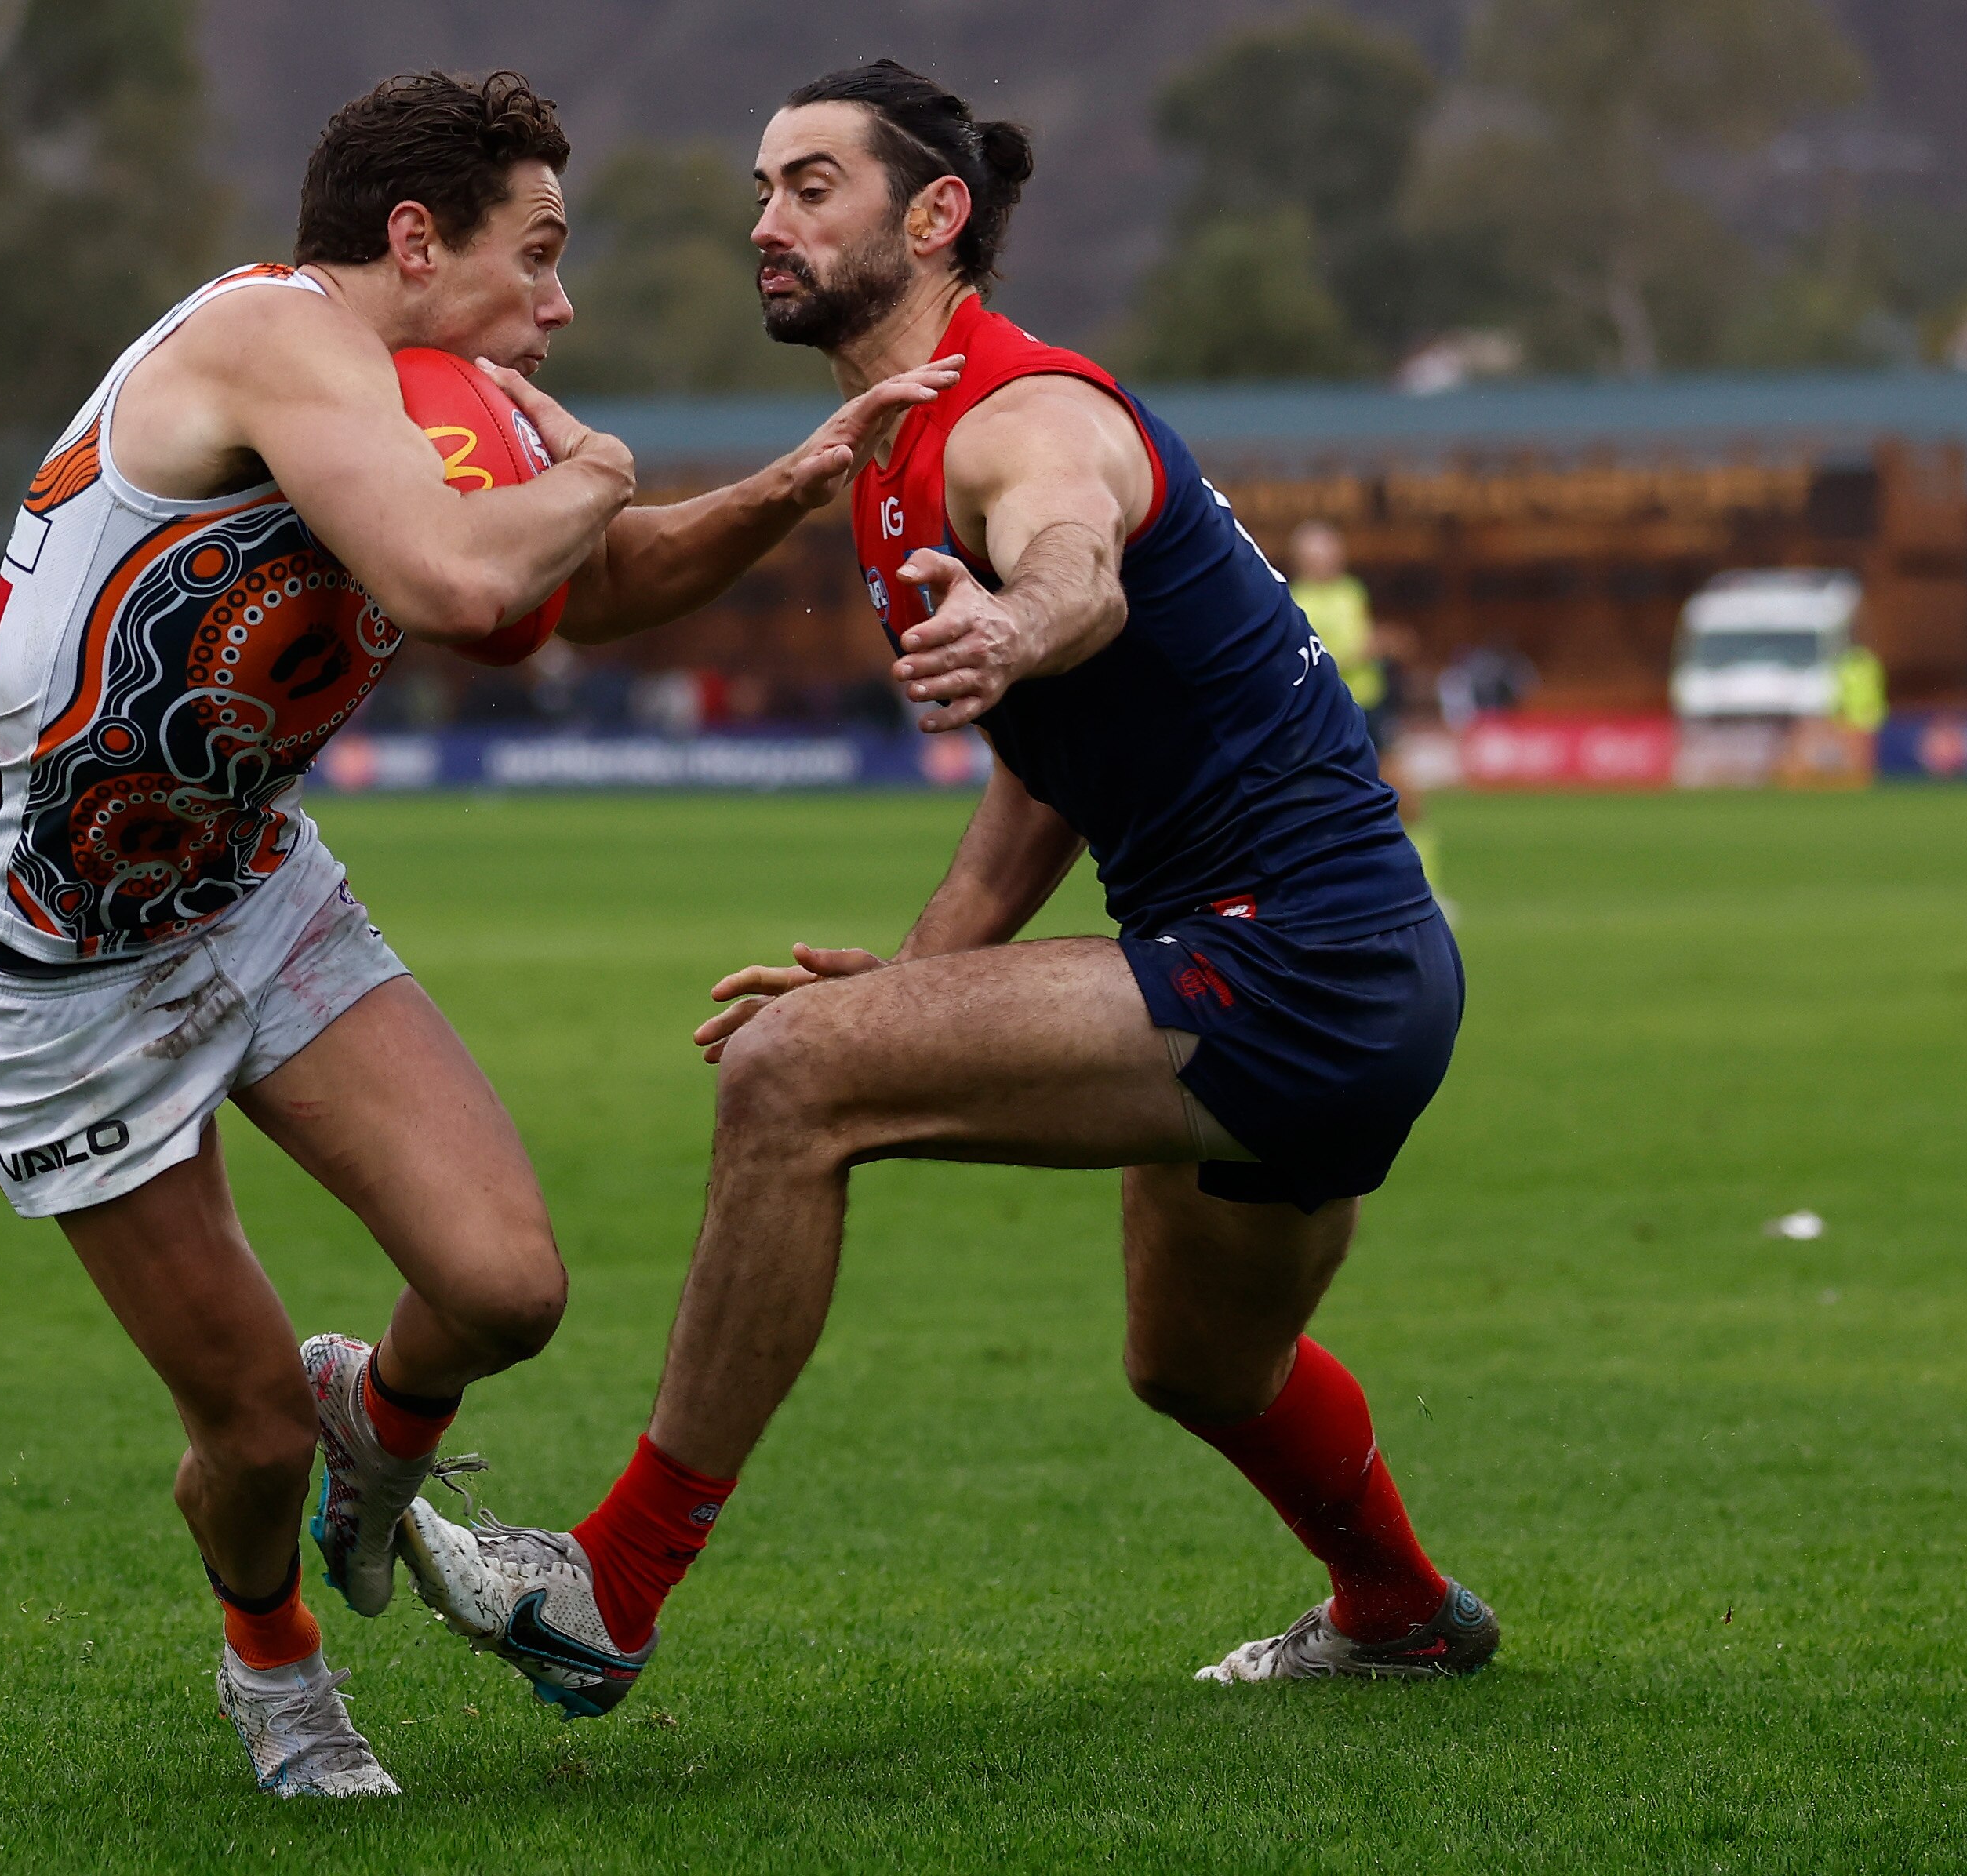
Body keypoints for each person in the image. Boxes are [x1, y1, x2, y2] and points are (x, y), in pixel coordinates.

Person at [398, 60, 1497, 1718]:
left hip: (1292, 962)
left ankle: (607, 1588)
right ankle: (1399, 1607)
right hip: (1342, 969)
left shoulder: (1014, 416)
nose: (765, 223)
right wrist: (919, 982)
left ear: (933, 216)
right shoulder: (894, 444)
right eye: (760, 191)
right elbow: (1046, 770)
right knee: (1194, 1362)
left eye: (810, 188)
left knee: (787, 1074)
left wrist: (1014, 618)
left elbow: (1075, 566)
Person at [0, 70, 956, 1798]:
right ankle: (276, 1662)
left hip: (249, 886)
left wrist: (790, 485)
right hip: (55, 963)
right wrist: (601, 466)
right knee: (245, 1430)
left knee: (502, 1285)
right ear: (414, 240)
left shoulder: (431, 397)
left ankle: (377, 1423)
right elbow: (461, 583)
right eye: (535, 255)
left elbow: (579, 590)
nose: (561, 303)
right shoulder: (275, 338)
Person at [1288, 518, 1441, 907]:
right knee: (1321, 808)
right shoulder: (1296, 600)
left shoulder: (1350, 590)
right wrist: (1372, 648)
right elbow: (1311, 661)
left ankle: (1426, 890)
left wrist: (1378, 644)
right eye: (1320, 554)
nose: (1330, 560)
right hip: (1329, 713)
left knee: (1407, 798)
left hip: (1371, 706)